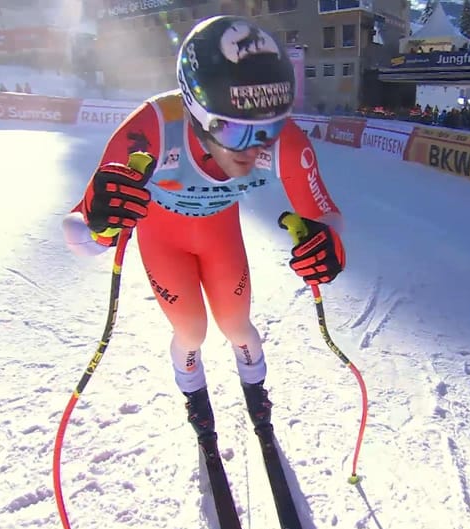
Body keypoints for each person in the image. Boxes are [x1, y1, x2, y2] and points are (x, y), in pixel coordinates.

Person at [61, 15, 346, 442]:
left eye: (268, 128)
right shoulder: (152, 128)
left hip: (218, 236)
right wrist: (98, 223)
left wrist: (330, 249)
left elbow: (326, 216)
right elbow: (83, 235)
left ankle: (255, 387)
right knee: (191, 330)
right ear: (193, 109)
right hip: (165, 241)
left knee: (237, 326)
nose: (253, 149)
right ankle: (194, 392)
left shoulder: (285, 143)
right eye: (231, 128)